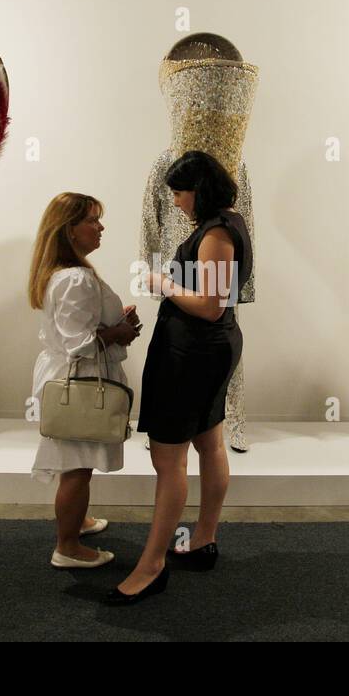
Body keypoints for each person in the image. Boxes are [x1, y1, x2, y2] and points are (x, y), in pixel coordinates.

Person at [108, 151, 253, 605]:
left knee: (168, 460)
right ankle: (203, 538)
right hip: (207, 349)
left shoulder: (216, 232)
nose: (174, 202)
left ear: (198, 189)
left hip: (193, 353)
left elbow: (211, 305)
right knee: (210, 443)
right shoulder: (229, 221)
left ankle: (152, 566)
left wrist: (161, 283)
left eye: (178, 192)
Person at [28, 192, 142, 568]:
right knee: (77, 466)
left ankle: (77, 522)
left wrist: (114, 324)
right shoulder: (76, 278)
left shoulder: (65, 273)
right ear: (70, 230)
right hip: (79, 380)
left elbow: (75, 329)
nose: (100, 227)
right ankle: (67, 547)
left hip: (66, 376)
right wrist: (120, 332)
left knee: (76, 462)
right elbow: (79, 343)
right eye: (92, 220)